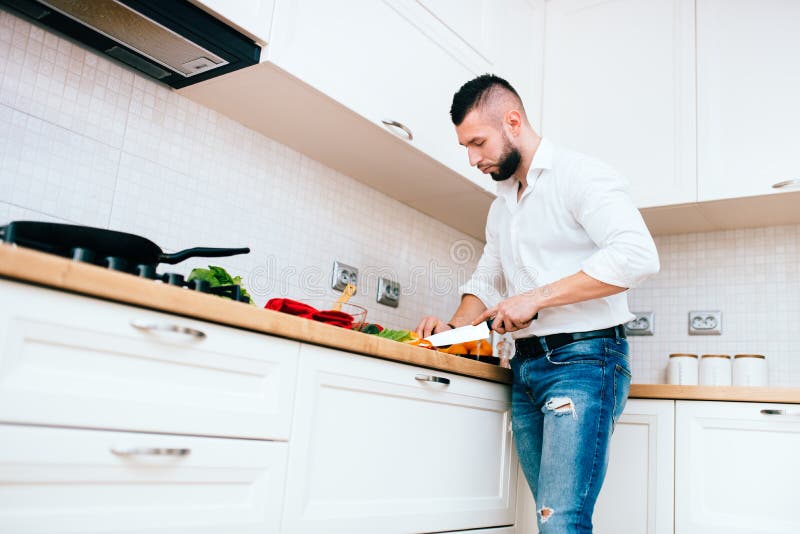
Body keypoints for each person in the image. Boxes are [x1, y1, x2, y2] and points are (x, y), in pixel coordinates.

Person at [415, 74, 660, 533]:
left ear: (513, 121)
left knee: (560, 521)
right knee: (550, 519)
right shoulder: (502, 204)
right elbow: (486, 279)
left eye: (478, 142)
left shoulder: (580, 175)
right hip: (525, 367)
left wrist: (537, 297)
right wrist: (452, 331)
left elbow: (637, 255)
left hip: (584, 361)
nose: (472, 159)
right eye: (465, 147)